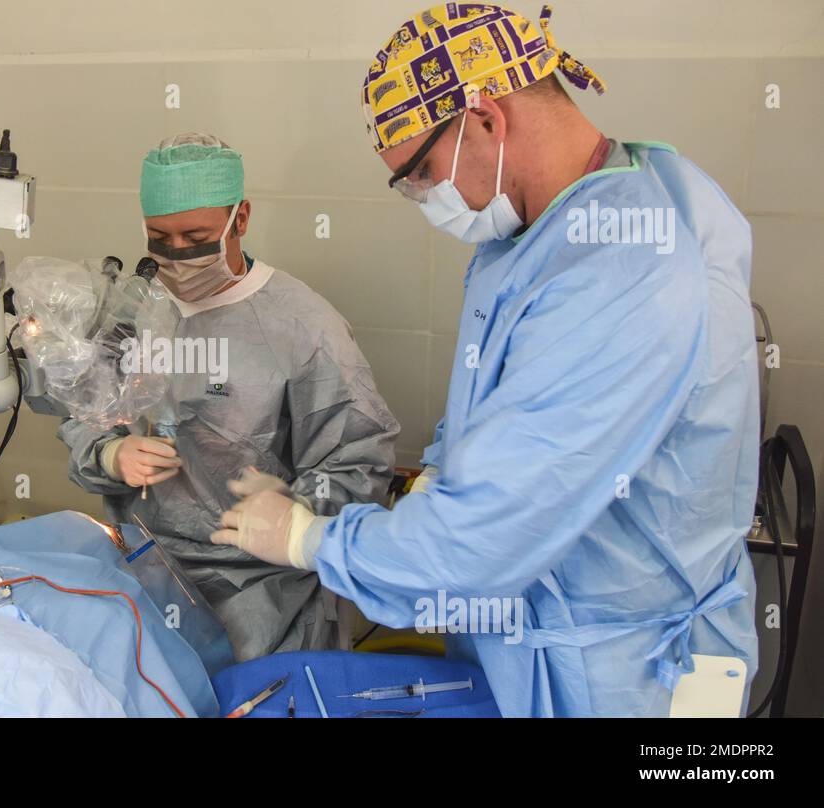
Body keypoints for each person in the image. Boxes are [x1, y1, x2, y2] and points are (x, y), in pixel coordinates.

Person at [212, 3, 760, 716]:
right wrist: (438, 472)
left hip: (617, 671)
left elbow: (480, 546)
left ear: (487, 119)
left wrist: (308, 538)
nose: (424, 198)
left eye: (421, 172)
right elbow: (499, 405)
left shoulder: (623, 267)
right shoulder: (541, 229)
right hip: (535, 636)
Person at [59, 133, 400, 661]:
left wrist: (297, 512)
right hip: (143, 567)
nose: (177, 255)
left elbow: (360, 461)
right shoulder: (132, 312)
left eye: (195, 235)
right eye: (159, 237)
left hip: (262, 588)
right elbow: (86, 410)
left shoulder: (303, 327)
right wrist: (109, 452)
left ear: (240, 219)